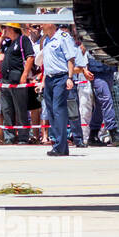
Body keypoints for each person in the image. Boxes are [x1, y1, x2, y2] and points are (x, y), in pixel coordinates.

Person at [38, 21, 81, 156]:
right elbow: (47, 63)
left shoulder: (63, 37)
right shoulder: (46, 40)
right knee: (51, 111)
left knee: (58, 109)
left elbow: (71, 59)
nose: (40, 26)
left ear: (51, 23)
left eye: (42, 24)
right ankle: (59, 145)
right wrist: (43, 81)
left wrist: (69, 77)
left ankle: (60, 145)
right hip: (50, 78)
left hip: (61, 77)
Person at [0, 22, 36, 144]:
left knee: (20, 108)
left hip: (17, 80)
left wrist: (24, 75)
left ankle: (24, 137)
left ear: (12, 28)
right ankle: (9, 137)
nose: (4, 30)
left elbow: (30, 57)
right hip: (6, 81)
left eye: (5, 28)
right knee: (6, 109)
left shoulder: (23, 40)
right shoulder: (7, 43)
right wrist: (1, 37)